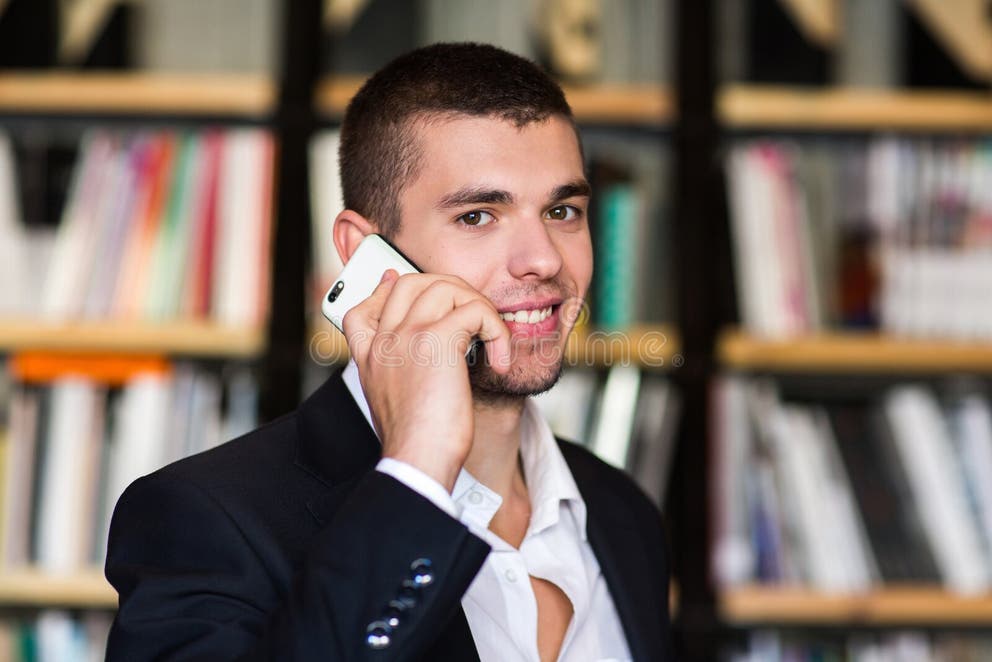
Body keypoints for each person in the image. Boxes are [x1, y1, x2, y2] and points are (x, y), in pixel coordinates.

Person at [105, 42, 673, 661]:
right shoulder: (203, 517)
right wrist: (418, 471)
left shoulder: (623, 513)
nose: (544, 259)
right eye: (479, 216)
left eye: (563, 210)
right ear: (366, 256)